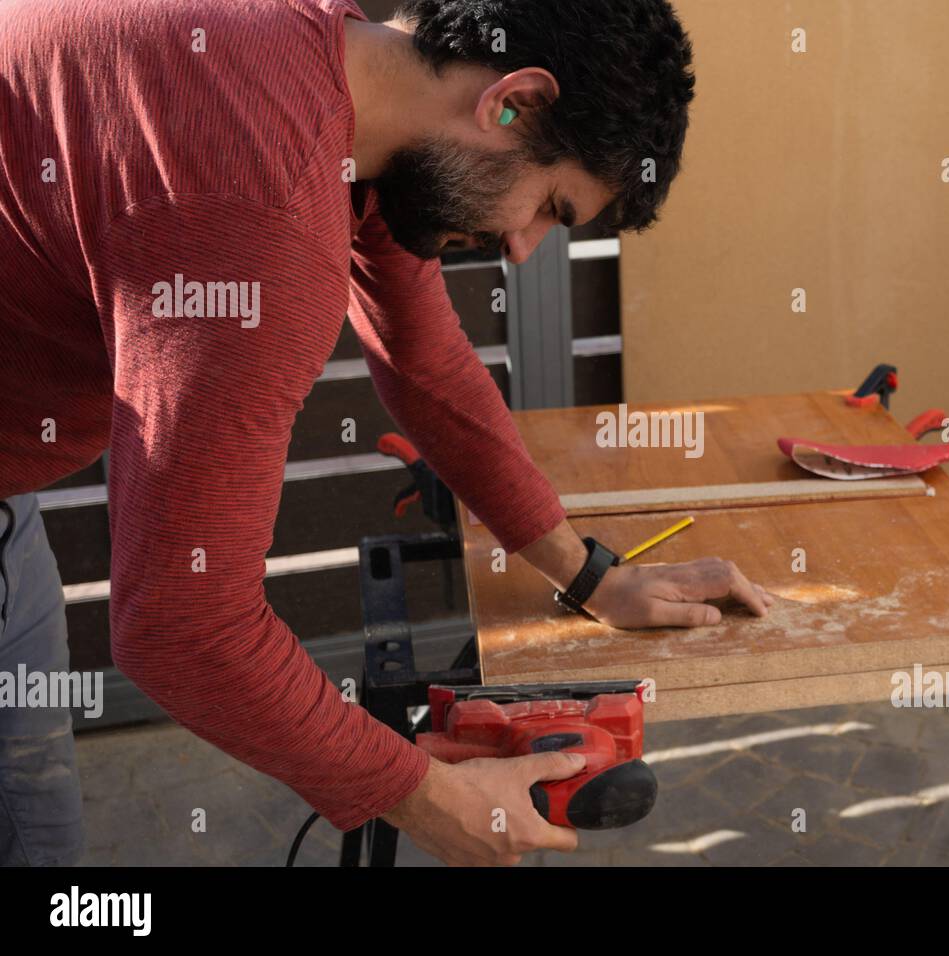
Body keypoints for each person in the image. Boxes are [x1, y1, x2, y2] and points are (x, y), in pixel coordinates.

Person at [0, 0, 774, 866]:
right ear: (510, 99)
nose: (523, 249)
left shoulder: (329, 63)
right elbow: (184, 626)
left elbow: (426, 363)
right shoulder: (261, 214)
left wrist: (589, 575)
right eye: (551, 206)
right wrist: (427, 798)